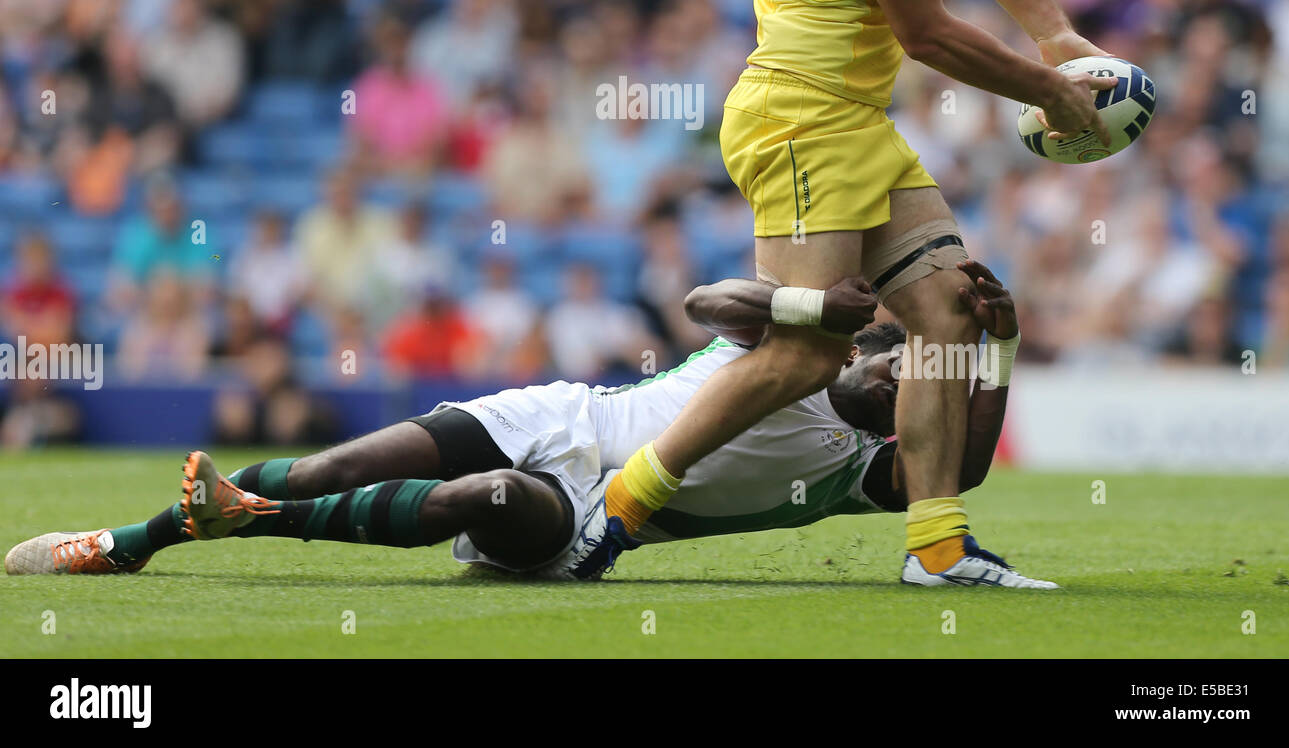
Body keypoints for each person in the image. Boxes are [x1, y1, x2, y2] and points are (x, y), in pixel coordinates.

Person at [574, 0, 1114, 587]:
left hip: (850, 117)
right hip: (797, 119)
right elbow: (928, 33)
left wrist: (1054, 31)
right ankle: (619, 505)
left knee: (946, 313)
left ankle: (938, 550)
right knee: (807, 354)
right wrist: (1052, 90)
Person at [5, 263, 1052, 588]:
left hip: (589, 510)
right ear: (874, 348)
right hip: (559, 412)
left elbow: (955, 468)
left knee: (483, 500)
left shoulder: (852, 470)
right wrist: (817, 305)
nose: (904, 382)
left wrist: (989, 352)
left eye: (924, 378)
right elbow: (703, 300)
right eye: (902, 360)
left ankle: (231, 521)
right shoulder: (794, 348)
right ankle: (134, 540)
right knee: (333, 459)